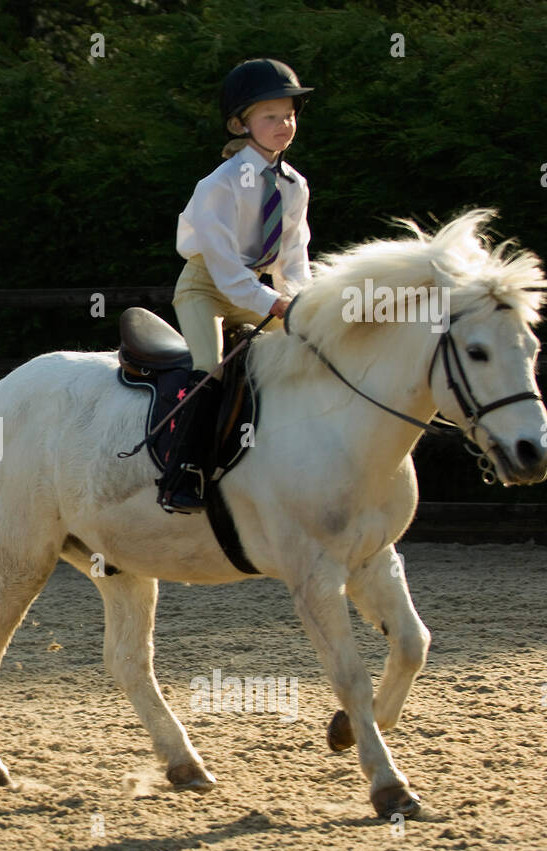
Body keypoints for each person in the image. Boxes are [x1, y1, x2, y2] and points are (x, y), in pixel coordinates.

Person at [163, 58, 314, 512]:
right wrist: (279, 304)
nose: (283, 124)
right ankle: (183, 473)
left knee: (308, 355)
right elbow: (226, 273)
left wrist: (303, 303)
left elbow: (293, 258)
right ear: (239, 123)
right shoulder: (219, 186)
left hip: (257, 293)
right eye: (270, 116)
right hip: (206, 288)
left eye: (288, 115)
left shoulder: (294, 185)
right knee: (210, 367)